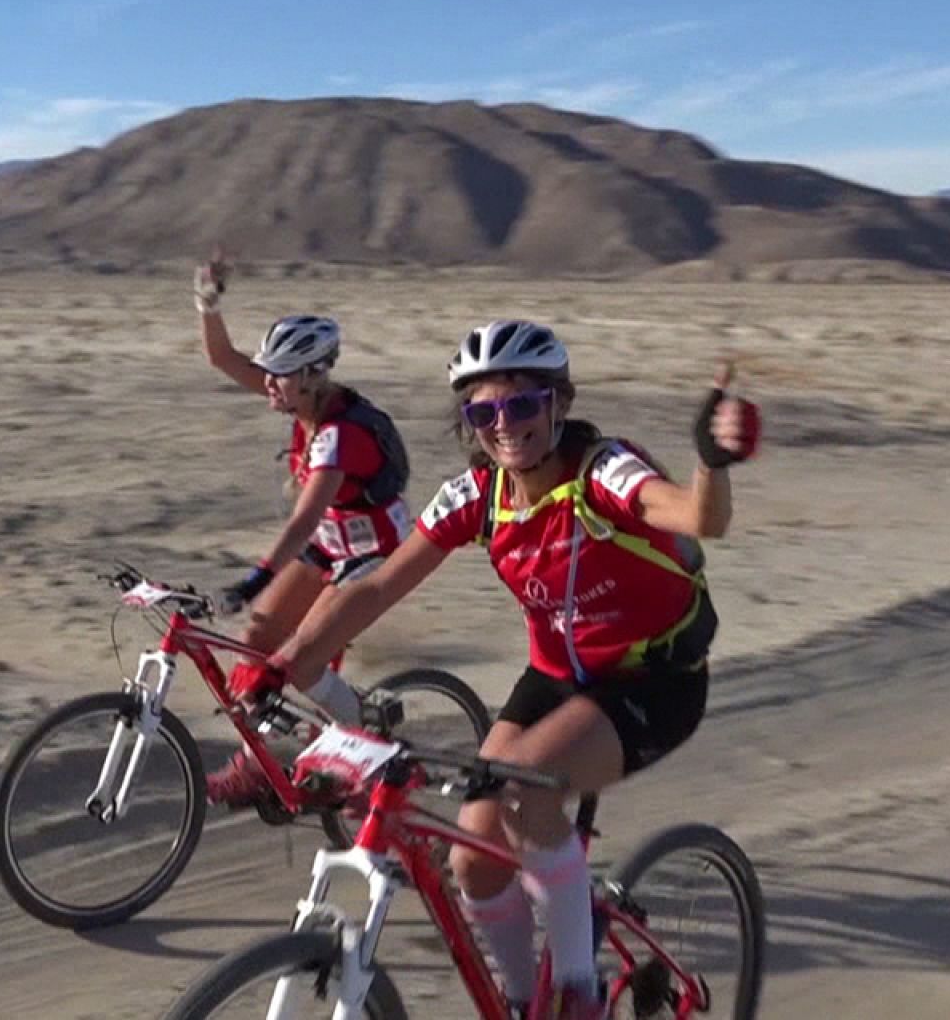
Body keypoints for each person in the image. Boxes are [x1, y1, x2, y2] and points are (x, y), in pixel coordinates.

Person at [257, 319, 761, 1019]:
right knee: (471, 856)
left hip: (653, 679)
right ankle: (526, 1005)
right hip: (557, 675)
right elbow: (373, 587)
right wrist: (286, 662)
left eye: (523, 404)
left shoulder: (603, 472)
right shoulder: (479, 494)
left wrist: (712, 461)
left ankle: (579, 993)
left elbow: (698, 517)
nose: (505, 424)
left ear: (560, 402)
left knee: (527, 799)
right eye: (483, 411)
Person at [190, 257, 415, 808]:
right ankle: (260, 765)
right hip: (333, 545)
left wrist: (253, 580)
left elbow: (303, 520)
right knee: (258, 639)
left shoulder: (339, 437)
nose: (268, 382)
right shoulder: (304, 407)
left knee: (298, 661)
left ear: (313, 377)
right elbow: (222, 358)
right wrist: (207, 302)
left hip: (373, 557)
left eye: (280, 374)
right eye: (268, 371)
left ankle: (378, 758)